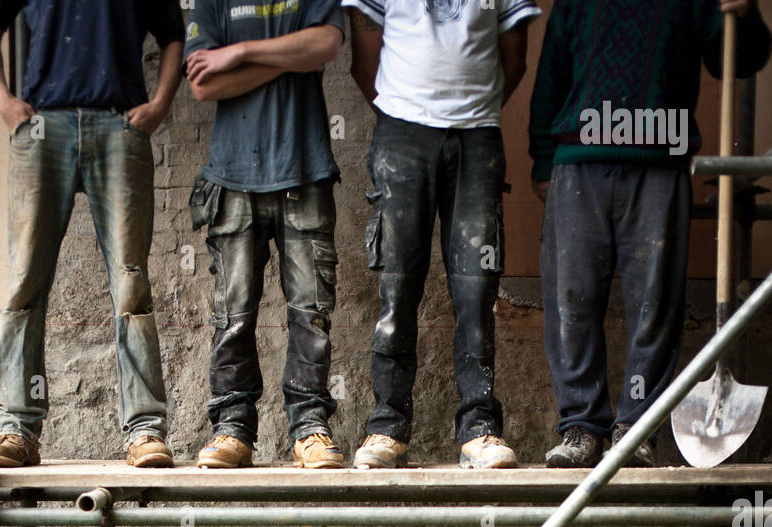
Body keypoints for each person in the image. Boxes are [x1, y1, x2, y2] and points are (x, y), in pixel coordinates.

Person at [530, 0, 771, 469]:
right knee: (571, 300)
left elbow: (741, 62)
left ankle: (636, 428)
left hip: (659, 161)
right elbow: (551, 73)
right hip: (581, 159)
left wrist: (746, 15)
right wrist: (543, 157)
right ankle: (581, 427)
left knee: (656, 302)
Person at [0, 0, 184, 470]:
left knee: (130, 284)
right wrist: (2, 100)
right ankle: (17, 428)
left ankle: (144, 430)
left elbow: (175, 33)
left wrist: (160, 104)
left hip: (118, 124)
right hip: (41, 128)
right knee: (24, 284)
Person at [344, 0, 541, 470]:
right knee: (397, 286)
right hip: (401, 135)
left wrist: (469, 111)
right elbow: (363, 60)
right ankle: (386, 428)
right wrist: (408, 112)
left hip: (478, 139)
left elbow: (515, 60)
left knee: (477, 290)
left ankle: (480, 430)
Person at [184, 1, 346, 470]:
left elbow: (326, 45)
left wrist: (239, 54)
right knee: (232, 318)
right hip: (232, 180)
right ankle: (233, 430)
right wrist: (290, 56)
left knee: (310, 316)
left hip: (304, 172)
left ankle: (310, 428)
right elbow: (203, 83)